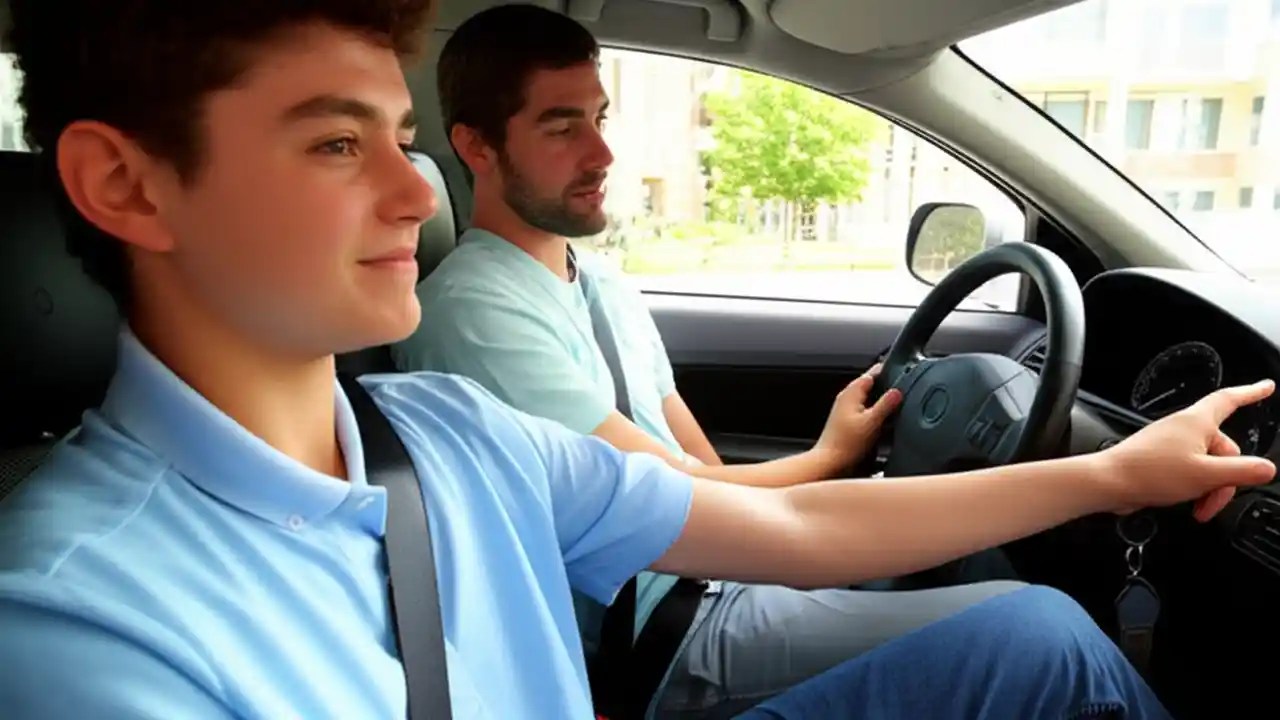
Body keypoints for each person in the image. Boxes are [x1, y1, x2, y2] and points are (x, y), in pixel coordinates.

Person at [0, 1, 1271, 719]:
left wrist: (1113, 477)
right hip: (663, 650)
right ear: (127, 185)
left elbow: (791, 530)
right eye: (337, 144)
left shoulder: (448, 432)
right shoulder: (74, 630)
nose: (414, 191)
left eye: (396, 136)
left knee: (1035, 639)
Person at [385, 5, 1009, 716]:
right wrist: (830, 457)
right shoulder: (473, 314)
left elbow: (700, 467)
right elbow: (679, 496)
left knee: (979, 568)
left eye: (600, 119)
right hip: (657, 635)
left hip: (717, 577)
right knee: (1027, 626)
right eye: (561, 128)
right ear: (477, 147)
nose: (602, 154)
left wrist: (811, 511)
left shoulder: (603, 284)